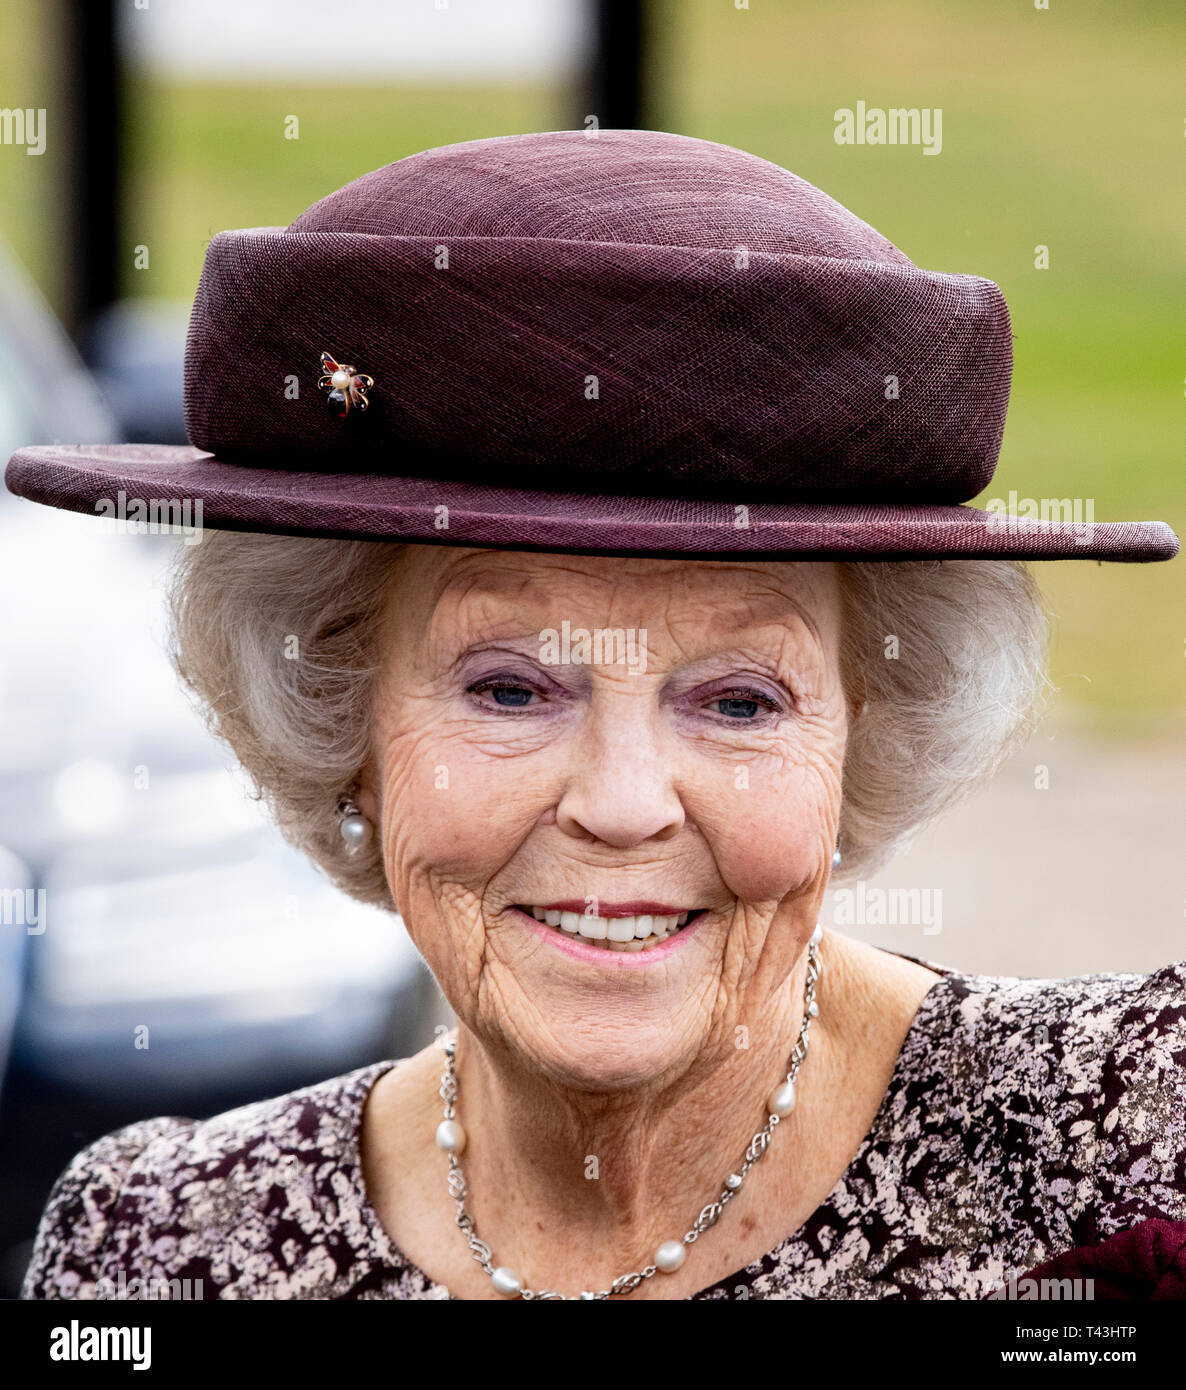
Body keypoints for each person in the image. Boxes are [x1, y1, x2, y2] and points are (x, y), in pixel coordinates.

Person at [8, 130, 1183, 1301]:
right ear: (339, 719)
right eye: (509, 687)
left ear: (862, 738)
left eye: (737, 699)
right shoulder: (161, 1250)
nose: (622, 806)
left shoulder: (1137, 1148)